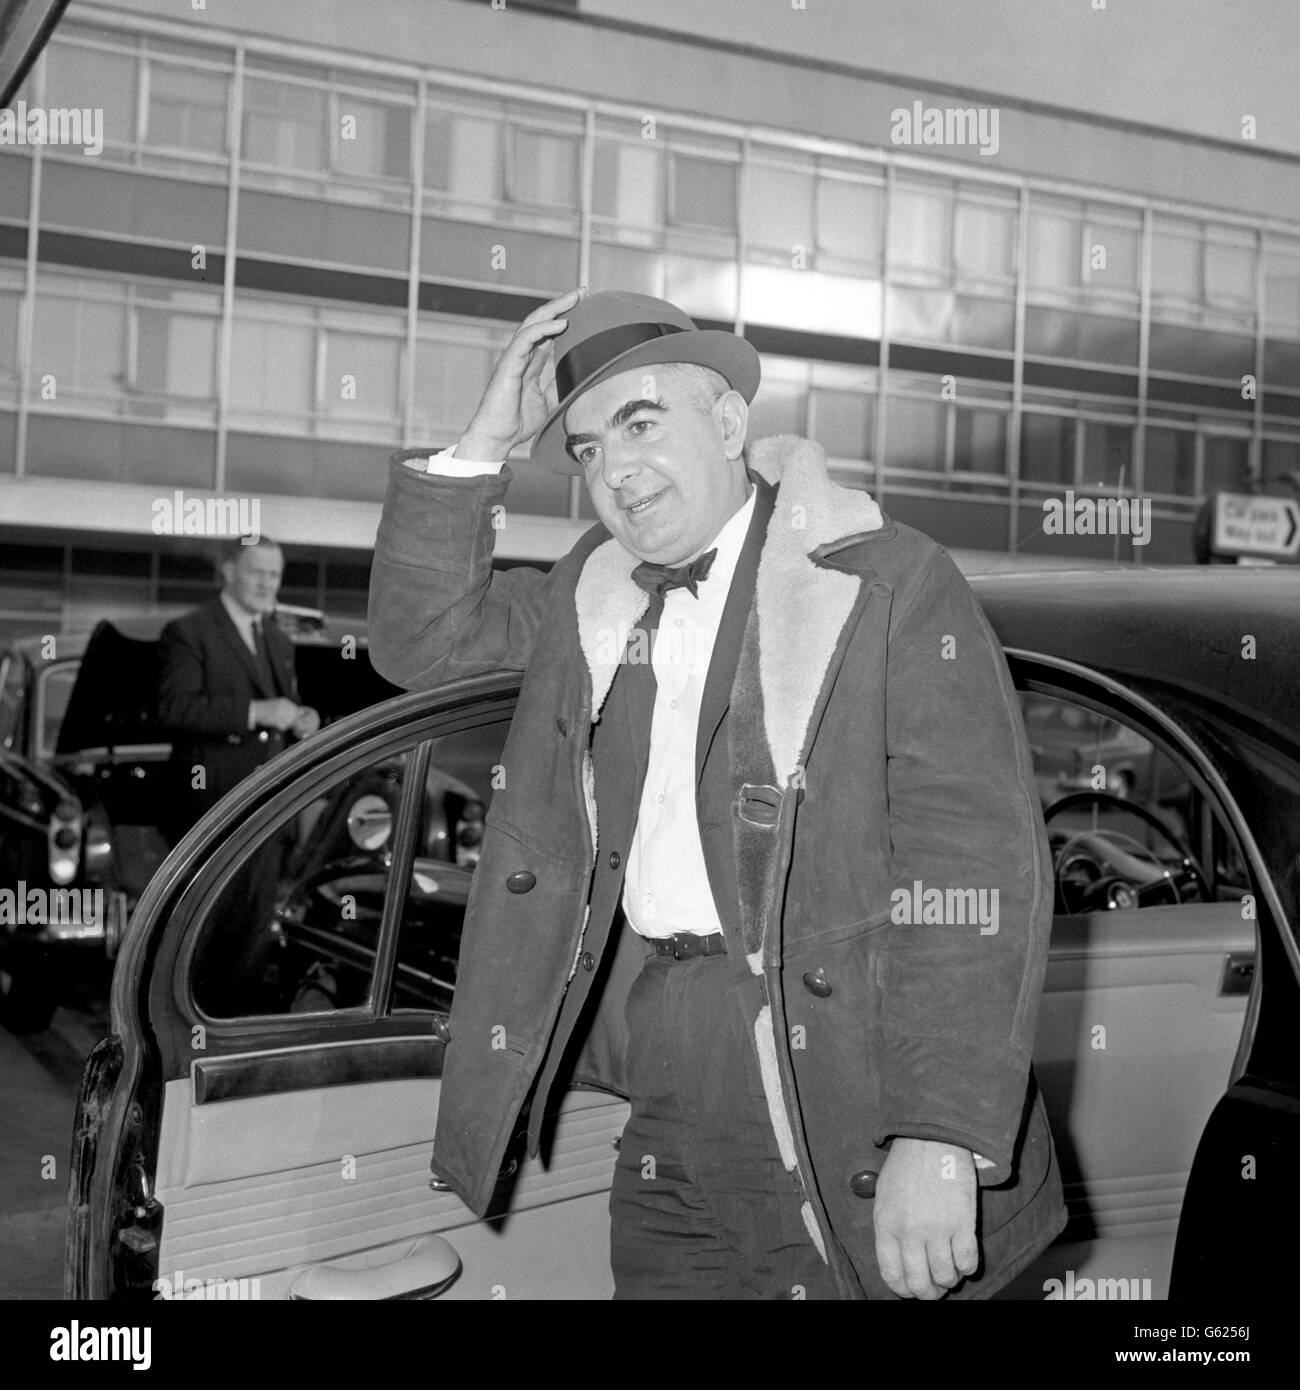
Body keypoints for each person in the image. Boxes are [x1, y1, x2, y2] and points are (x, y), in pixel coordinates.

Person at [368, 288, 1066, 1299]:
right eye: (588, 449)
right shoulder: (588, 595)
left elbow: (970, 869)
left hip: (847, 1073)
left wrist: (939, 1136)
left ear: (729, 421)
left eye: (641, 423)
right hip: (665, 1062)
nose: (614, 469)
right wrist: (487, 441)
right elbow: (418, 641)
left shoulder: (884, 582)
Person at [157, 535, 320, 1013]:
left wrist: (301, 720)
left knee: (252, 932)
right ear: (227, 571)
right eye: (257, 571)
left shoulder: (277, 638)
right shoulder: (189, 631)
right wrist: (256, 712)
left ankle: (231, 1035)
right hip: (210, 809)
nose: (267, 582)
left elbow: (277, 712)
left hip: (265, 811)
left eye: (274, 574)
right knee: (206, 928)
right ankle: (188, 1035)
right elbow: (174, 707)